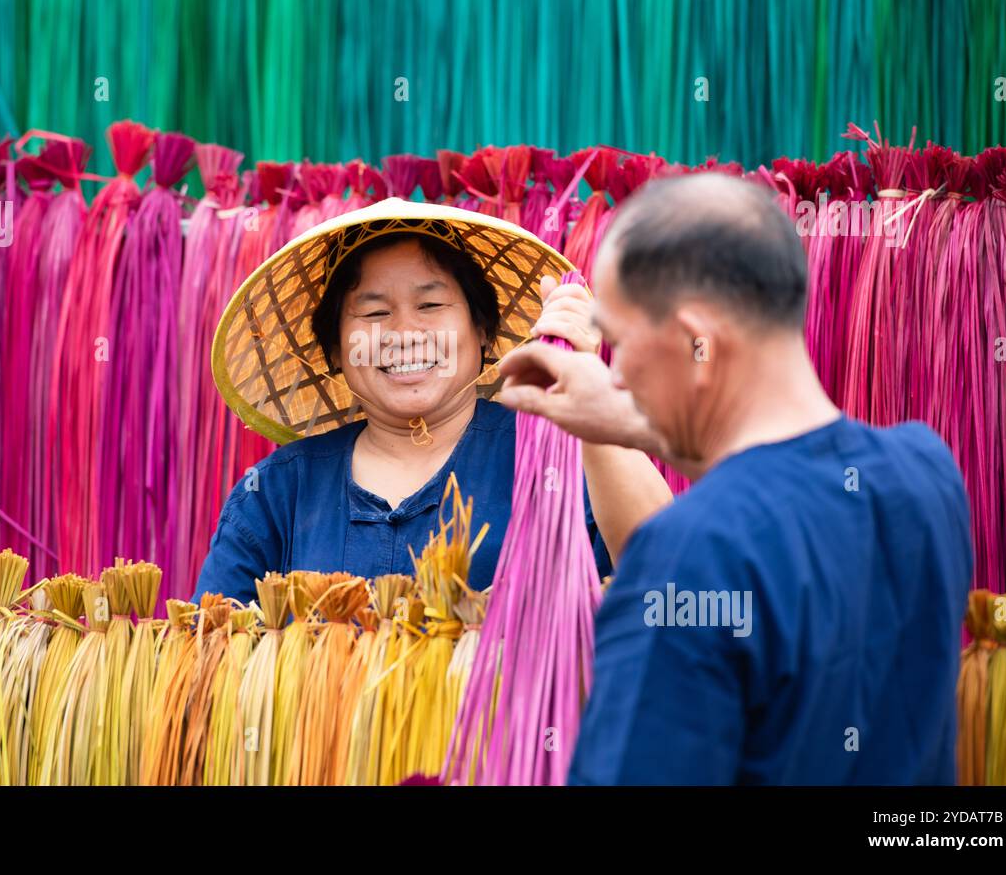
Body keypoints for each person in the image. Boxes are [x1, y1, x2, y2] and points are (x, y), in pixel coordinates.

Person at [499, 174, 974, 784]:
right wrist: (631, 425)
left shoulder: (687, 553)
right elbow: (785, 479)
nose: (616, 377)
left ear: (699, 342)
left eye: (618, 343)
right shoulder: (926, 474)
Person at [193, 198, 672, 604]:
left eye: (431, 305)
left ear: (481, 330)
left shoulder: (553, 454)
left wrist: (591, 404)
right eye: (375, 312)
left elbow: (668, 570)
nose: (404, 333)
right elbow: (207, 660)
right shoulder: (277, 492)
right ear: (336, 350)